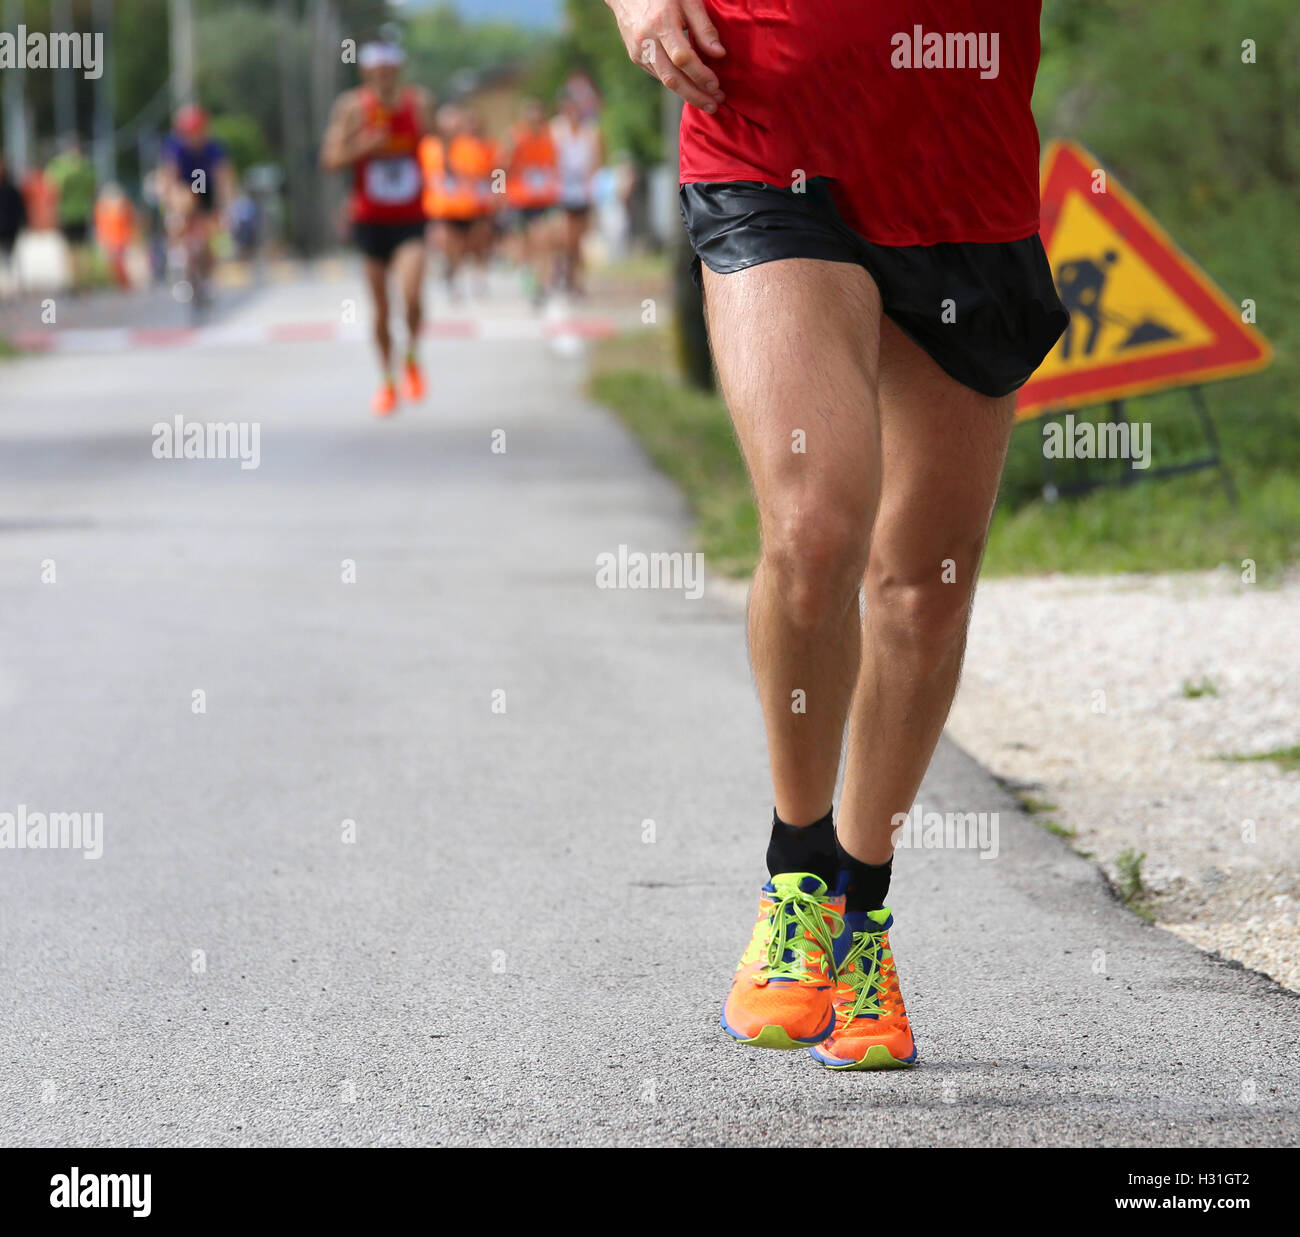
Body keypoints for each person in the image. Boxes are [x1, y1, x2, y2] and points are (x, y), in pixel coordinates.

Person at [605, 0, 1068, 1069]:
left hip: (964, 177)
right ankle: (798, 872)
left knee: (925, 585)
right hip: (768, 138)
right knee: (814, 530)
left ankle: (864, 904)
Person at [322, 41, 433, 417]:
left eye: (390, 69)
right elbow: (330, 158)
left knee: (412, 293)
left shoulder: (418, 104)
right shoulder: (352, 108)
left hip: (410, 217)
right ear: (365, 73)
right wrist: (364, 147)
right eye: (377, 71)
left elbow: (439, 144)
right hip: (370, 220)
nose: (384, 76)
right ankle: (387, 380)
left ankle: (413, 357)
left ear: (398, 71)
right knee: (382, 309)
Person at [157, 105, 235, 305]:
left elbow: (223, 178)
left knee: (210, 236)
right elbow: (169, 177)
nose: (193, 138)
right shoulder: (175, 147)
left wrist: (224, 207)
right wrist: (170, 207)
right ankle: (179, 258)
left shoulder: (214, 148)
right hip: (185, 189)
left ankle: (207, 277)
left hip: (206, 190)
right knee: (182, 206)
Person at [420, 103, 496, 301]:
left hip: (471, 208)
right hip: (441, 209)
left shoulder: (472, 148)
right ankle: (452, 277)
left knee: (476, 244)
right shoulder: (427, 148)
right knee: (447, 242)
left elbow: (493, 173)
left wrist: (497, 193)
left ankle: (478, 276)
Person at [504, 99, 559, 306]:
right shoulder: (516, 137)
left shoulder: (549, 137)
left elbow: (553, 165)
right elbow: (503, 165)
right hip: (520, 199)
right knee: (525, 244)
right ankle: (528, 274)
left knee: (543, 240)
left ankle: (542, 284)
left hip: (543, 199)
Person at [550, 87, 604, 297]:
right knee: (566, 236)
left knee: (578, 239)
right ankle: (564, 273)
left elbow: (595, 161)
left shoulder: (589, 131)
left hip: (581, 189)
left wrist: (592, 187)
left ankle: (575, 278)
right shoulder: (555, 130)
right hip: (562, 189)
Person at [45, 140, 97, 288]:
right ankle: (86, 280)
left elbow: (53, 188)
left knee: (70, 250)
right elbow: (92, 190)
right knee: (84, 249)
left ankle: (74, 281)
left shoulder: (61, 169)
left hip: (66, 213)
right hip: (83, 211)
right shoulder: (87, 169)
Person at [0, 155, 27, 297]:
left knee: (10, 256)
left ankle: (12, 284)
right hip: (9, 226)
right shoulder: (12, 189)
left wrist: (23, 222)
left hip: (9, 228)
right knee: (7, 257)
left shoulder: (11, 189)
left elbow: (20, 208)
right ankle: (8, 284)